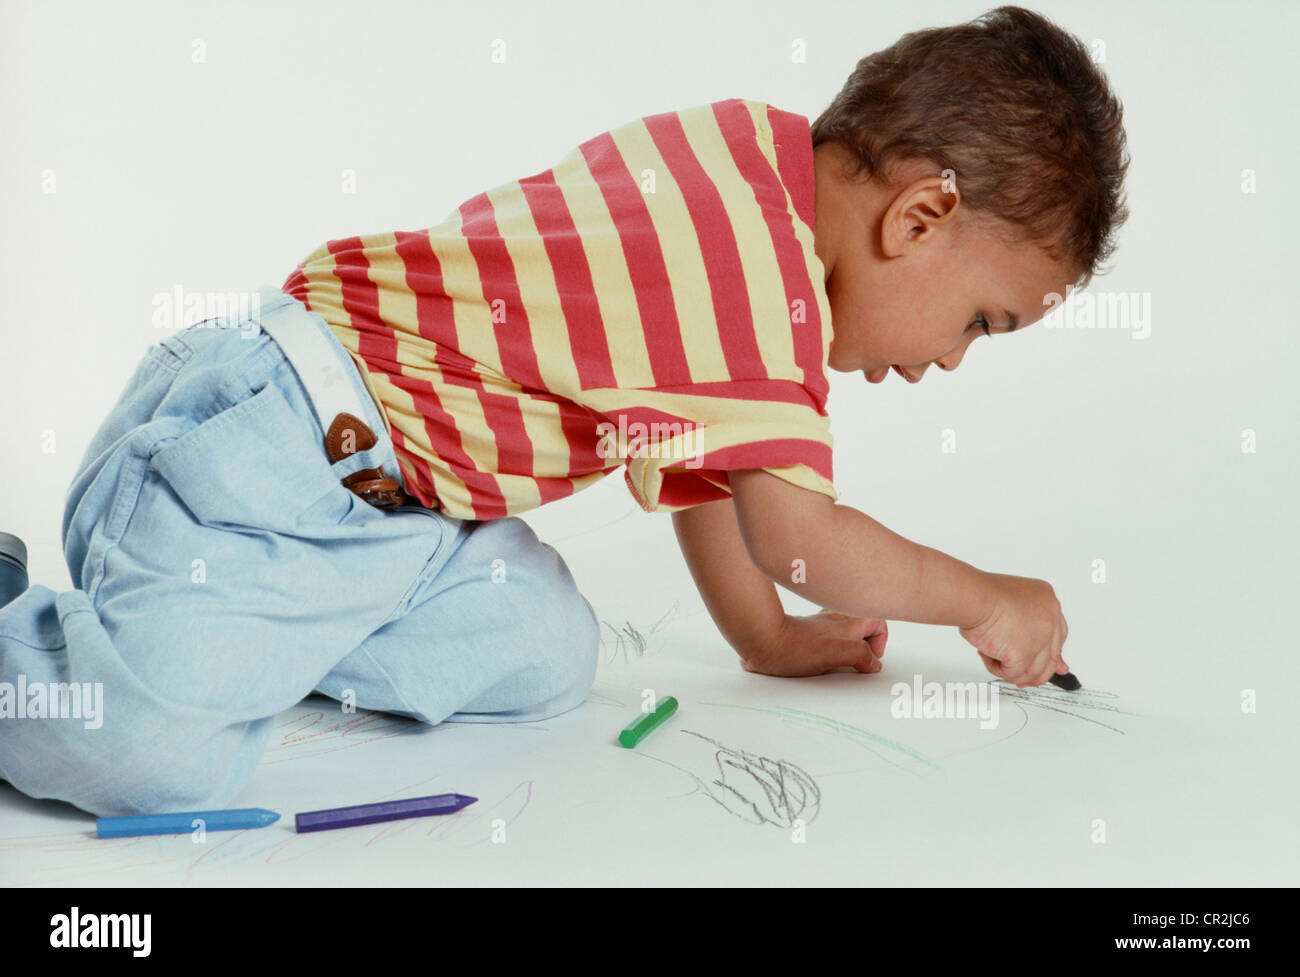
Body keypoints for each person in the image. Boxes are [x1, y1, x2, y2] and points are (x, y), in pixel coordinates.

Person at [0, 5, 1129, 816]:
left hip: (404, 513)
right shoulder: (755, 283)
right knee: (153, 755)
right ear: (922, 214)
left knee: (542, 652)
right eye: (980, 322)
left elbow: (699, 455)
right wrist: (986, 596)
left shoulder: (748, 162)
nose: (948, 362)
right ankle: (69, 632)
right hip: (270, 442)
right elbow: (804, 541)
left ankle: (248, 632)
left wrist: (763, 639)